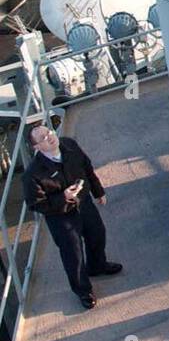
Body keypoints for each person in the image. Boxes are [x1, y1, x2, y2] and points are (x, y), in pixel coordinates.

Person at [23, 122, 122, 310]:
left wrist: (98, 191)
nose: (50, 136)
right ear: (36, 147)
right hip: (60, 217)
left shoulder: (70, 145)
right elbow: (36, 204)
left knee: (97, 235)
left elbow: (87, 167)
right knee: (73, 254)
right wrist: (63, 197)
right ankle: (83, 291)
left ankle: (97, 266)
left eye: (49, 131)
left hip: (84, 204)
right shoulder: (32, 175)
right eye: (43, 137)